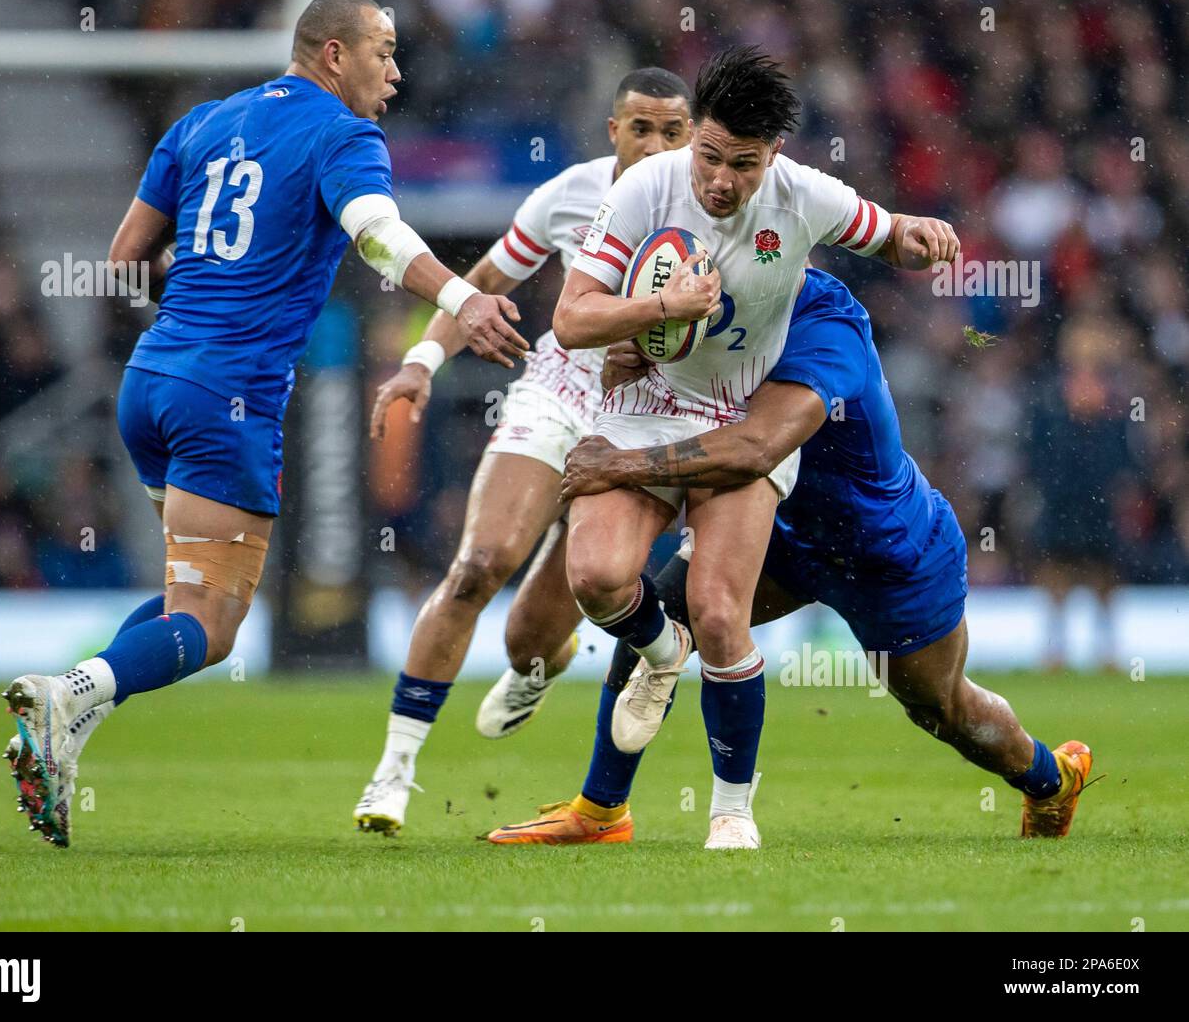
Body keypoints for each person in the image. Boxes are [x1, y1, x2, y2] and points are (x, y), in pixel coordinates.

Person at [2, 0, 527, 847]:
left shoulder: (204, 122)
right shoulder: (343, 134)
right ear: (332, 55)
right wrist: (465, 298)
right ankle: (68, 696)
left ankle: (66, 727)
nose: (394, 72)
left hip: (152, 381)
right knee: (211, 629)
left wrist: (209, 289)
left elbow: (125, 258)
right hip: (227, 397)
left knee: (185, 599)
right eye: (382, 52)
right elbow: (377, 232)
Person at [487, 271, 1092, 848]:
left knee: (942, 709)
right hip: (788, 534)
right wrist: (635, 364)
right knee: (666, 619)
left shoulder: (828, 325)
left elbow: (754, 448)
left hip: (888, 553)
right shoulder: (713, 307)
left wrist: (622, 465)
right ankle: (601, 810)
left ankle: (1049, 778)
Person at [548, 45, 960, 848]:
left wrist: (923, 236)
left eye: (742, 164)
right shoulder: (645, 187)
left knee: (719, 611)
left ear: (773, 155)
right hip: (644, 403)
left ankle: (732, 812)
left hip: (735, 415)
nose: (720, 180)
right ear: (692, 137)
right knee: (597, 579)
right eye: (708, 155)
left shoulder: (804, 197)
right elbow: (572, 319)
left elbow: (889, 234)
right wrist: (658, 307)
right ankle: (661, 654)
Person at [354, 68, 694, 834]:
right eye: (640, 128)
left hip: (644, 418)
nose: (656, 144)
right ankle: (393, 772)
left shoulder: (713, 206)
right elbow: (479, 281)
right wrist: (422, 362)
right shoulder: (570, 192)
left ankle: (537, 664)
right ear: (613, 132)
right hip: (559, 391)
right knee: (478, 566)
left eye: (672, 131)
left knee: (528, 640)